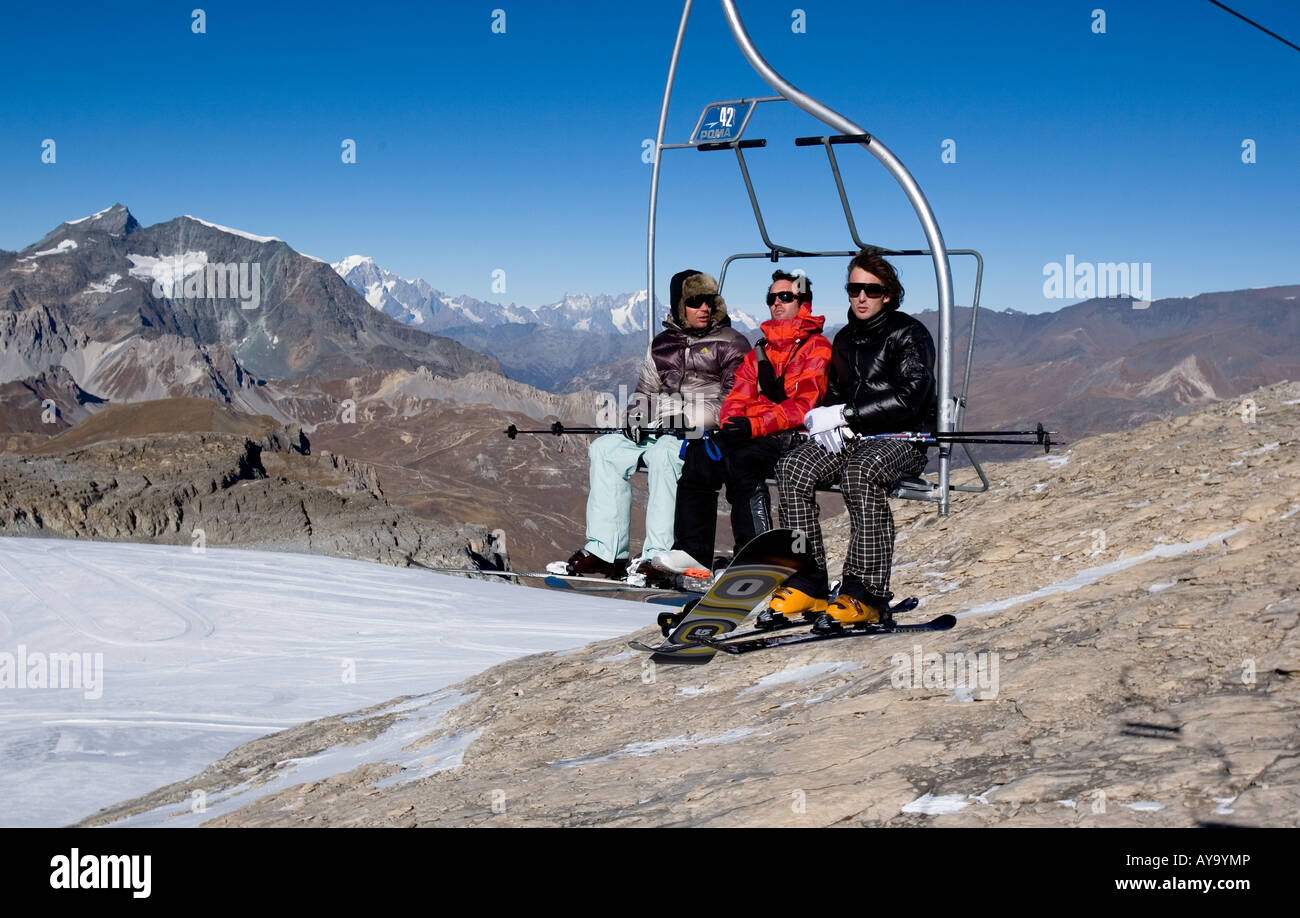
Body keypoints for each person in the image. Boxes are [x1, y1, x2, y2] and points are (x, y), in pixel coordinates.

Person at [765, 250, 936, 630]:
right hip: (854, 434)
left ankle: (866, 593)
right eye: (854, 288)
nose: (861, 297)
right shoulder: (844, 339)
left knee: (862, 472)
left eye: (871, 290)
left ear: (888, 294)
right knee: (793, 467)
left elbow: (911, 395)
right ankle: (807, 581)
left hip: (903, 438)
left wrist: (848, 416)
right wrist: (826, 416)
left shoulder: (909, 334)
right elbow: (839, 394)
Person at [554, 269, 750, 579]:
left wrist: (687, 418)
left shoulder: (732, 343)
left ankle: (658, 555)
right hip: (659, 427)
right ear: (679, 304)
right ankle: (606, 551)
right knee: (605, 450)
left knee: (664, 455)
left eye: (709, 301)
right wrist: (636, 415)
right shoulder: (662, 345)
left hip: (701, 435)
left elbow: (734, 401)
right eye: (695, 301)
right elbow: (645, 391)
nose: (704, 308)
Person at [655, 270, 831, 578]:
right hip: (759, 432)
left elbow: (804, 406)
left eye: (786, 297)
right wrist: (733, 421)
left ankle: (756, 550)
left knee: (743, 460)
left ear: (804, 303)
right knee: (700, 454)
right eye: (771, 298)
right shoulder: (761, 349)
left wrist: (752, 427)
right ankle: (693, 552)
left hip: (795, 436)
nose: (776, 303)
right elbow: (738, 394)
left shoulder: (815, 348)